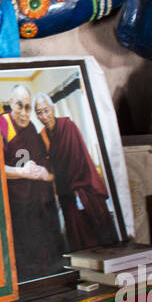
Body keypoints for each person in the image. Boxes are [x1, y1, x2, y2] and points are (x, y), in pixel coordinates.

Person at [0, 85, 65, 280]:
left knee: (48, 250)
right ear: (10, 103)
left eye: (28, 107)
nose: (24, 113)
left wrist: (44, 173)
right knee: (26, 255)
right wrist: (22, 172)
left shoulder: (31, 127)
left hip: (39, 202)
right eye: (20, 105)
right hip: (17, 207)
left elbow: (42, 159)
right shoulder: (1, 125)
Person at [34, 93, 118, 249]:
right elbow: (48, 165)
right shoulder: (42, 137)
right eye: (39, 112)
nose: (44, 116)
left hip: (84, 186)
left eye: (46, 110)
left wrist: (72, 184)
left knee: (101, 237)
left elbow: (79, 158)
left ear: (53, 108)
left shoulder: (67, 126)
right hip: (66, 192)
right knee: (79, 240)